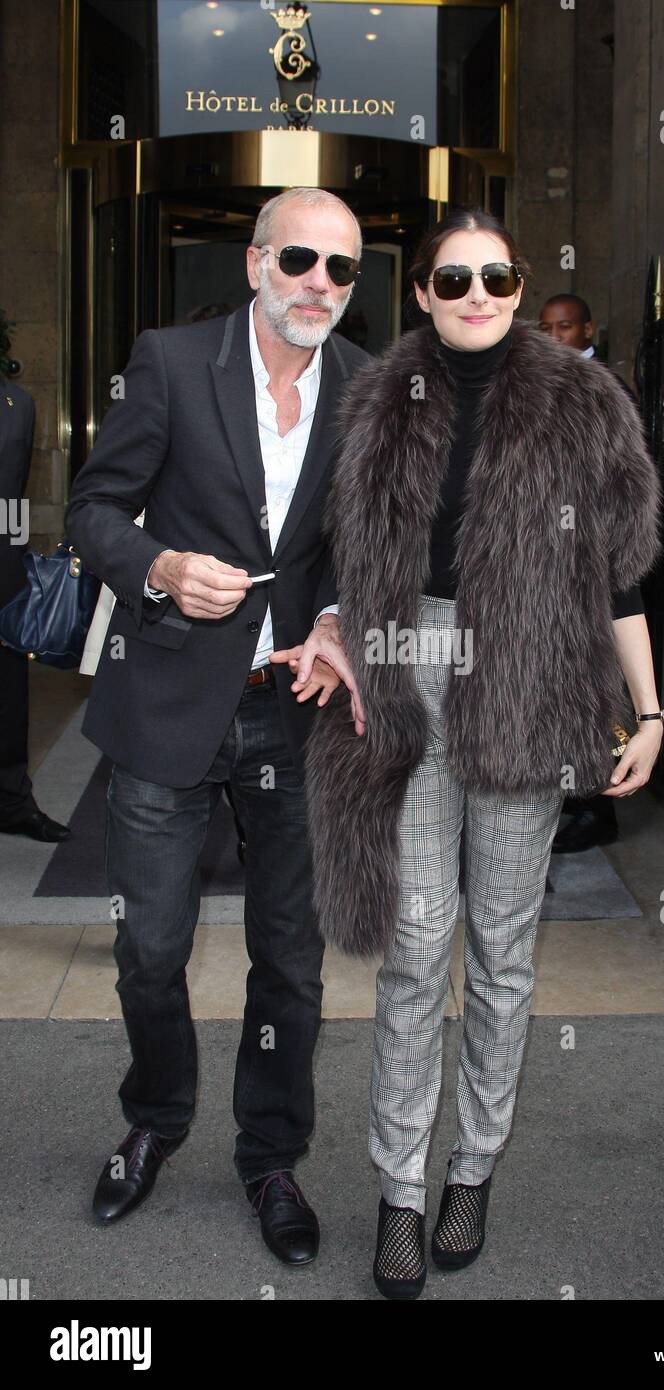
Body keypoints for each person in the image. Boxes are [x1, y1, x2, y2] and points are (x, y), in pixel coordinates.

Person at [299, 208, 664, 1298]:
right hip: (406, 672)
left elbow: (619, 573)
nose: (473, 294)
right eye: (449, 278)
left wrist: (645, 713)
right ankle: (399, 1187)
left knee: (501, 949)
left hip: (526, 682)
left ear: (518, 287)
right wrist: (334, 631)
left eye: (493, 277)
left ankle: (473, 1167)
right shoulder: (372, 398)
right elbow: (331, 550)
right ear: (418, 292)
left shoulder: (580, 398)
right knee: (418, 943)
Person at [64, 187, 367, 1266]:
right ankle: (152, 1120)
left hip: (293, 711)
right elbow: (90, 506)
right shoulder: (170, 361)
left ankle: (271, 1155)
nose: (317, 286)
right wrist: (156, 567)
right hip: (166, 705)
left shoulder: (366, 388)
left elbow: (359, 546)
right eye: (298, 260)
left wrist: (333, 617)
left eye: (340, 269)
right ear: (252, 264)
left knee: (288, 962)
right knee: (151, 949)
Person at [539, 291, 647, 853]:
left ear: (588, 329)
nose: (554, 337)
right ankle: (580, 801)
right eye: (546, 328)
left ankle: (594, 807)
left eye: (565, 328)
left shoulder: (606, 388)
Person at [0, 376, 70, 842]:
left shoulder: (18, 401)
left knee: (8, 692)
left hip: (4, 568)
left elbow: (14, 493)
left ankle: (11, 801)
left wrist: (18, 554)